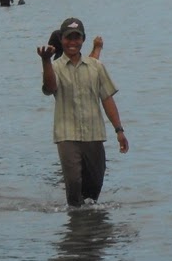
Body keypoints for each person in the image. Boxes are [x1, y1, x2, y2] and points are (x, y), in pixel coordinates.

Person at [37, 17, 127, 207]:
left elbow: (107, 98)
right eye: (69, 38)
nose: (72, 42)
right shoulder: (55, 68)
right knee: (74, 183)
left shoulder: (96, 67)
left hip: (94, 135)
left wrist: (119, 130)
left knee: (94, 188)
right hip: (67, 135)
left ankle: (91, 230)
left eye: (77, 38)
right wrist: (45, 61)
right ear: (62, 40)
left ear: (83, 39)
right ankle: (75, 226)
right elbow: (50, 86)